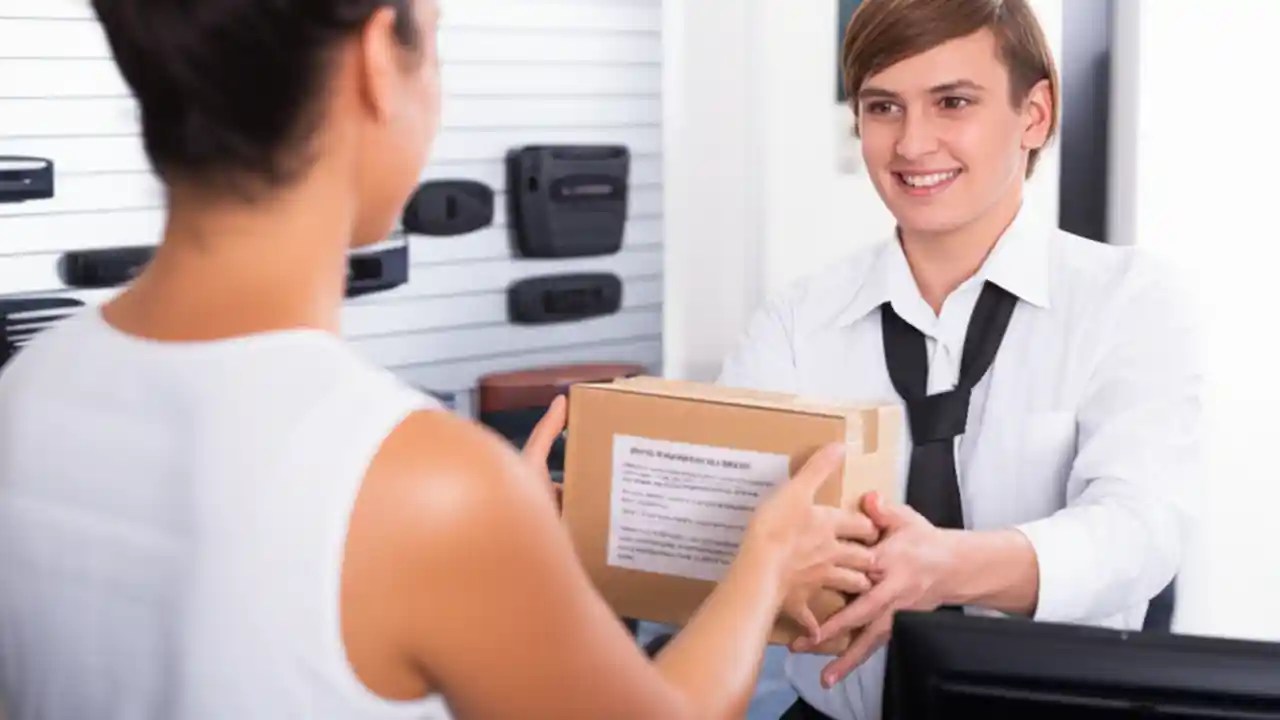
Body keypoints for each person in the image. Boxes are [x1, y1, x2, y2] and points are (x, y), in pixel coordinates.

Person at [0, 1, 881, 718]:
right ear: (380, 57)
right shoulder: (424, 482)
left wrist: (513, 558)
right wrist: (765, 562)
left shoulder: (28, 388)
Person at [716, 1, 1204, 718]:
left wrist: (949, 568)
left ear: (1034, 115)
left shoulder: (1128, 300)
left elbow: (1141, 532)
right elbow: (725, 513)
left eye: (953, 102)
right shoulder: (797, 319)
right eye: (884, 107)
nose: (913, 143)